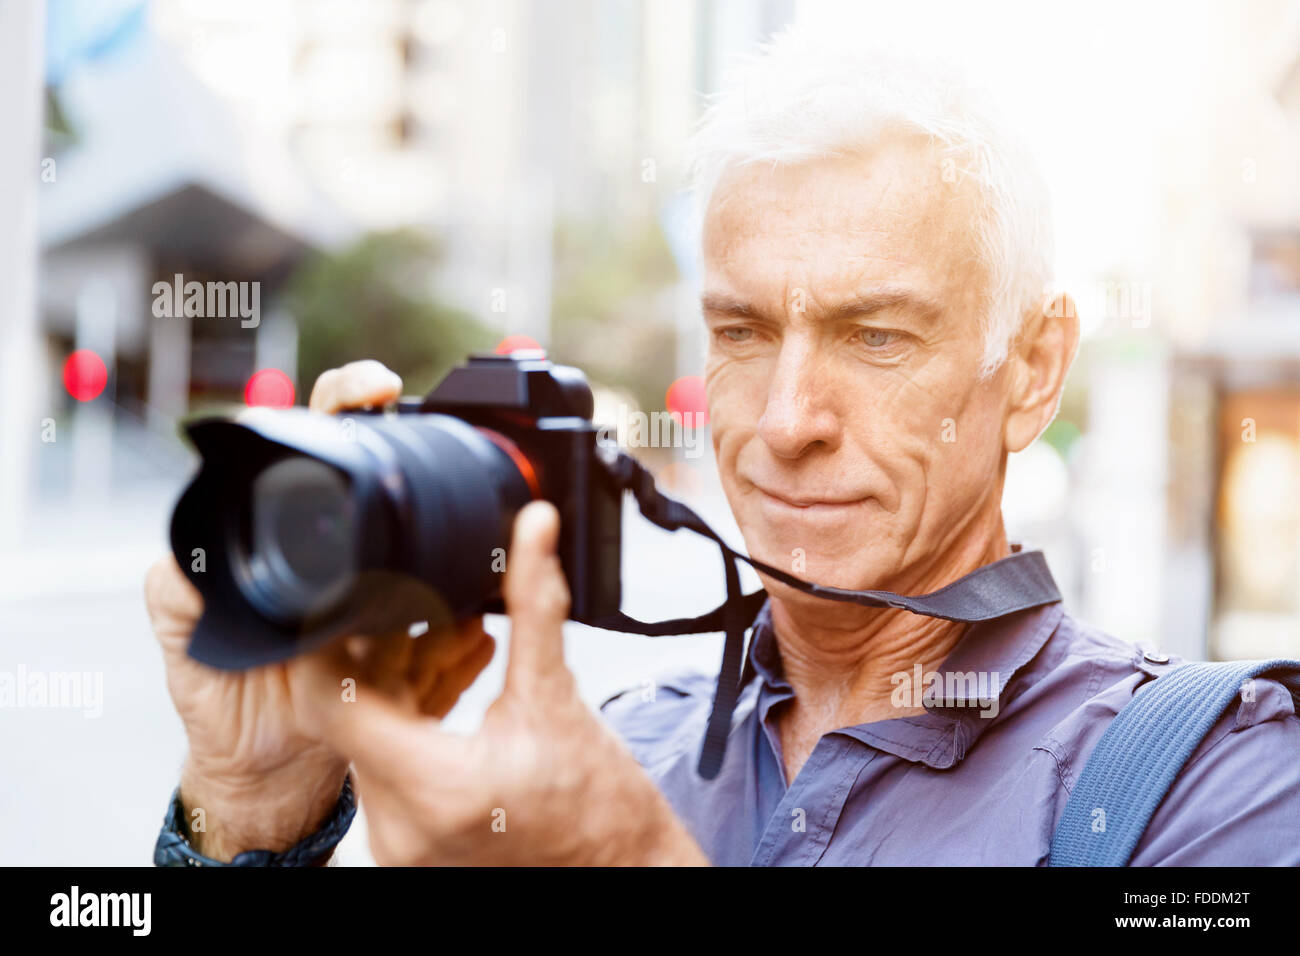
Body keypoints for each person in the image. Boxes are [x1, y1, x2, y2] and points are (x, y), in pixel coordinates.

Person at [144, 30, 1300, 866]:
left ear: (1034, 367)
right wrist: (250, 816)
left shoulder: (1215, 784)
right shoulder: (612, 751)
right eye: (741, 332)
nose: (786, 419)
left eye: (877, 334)